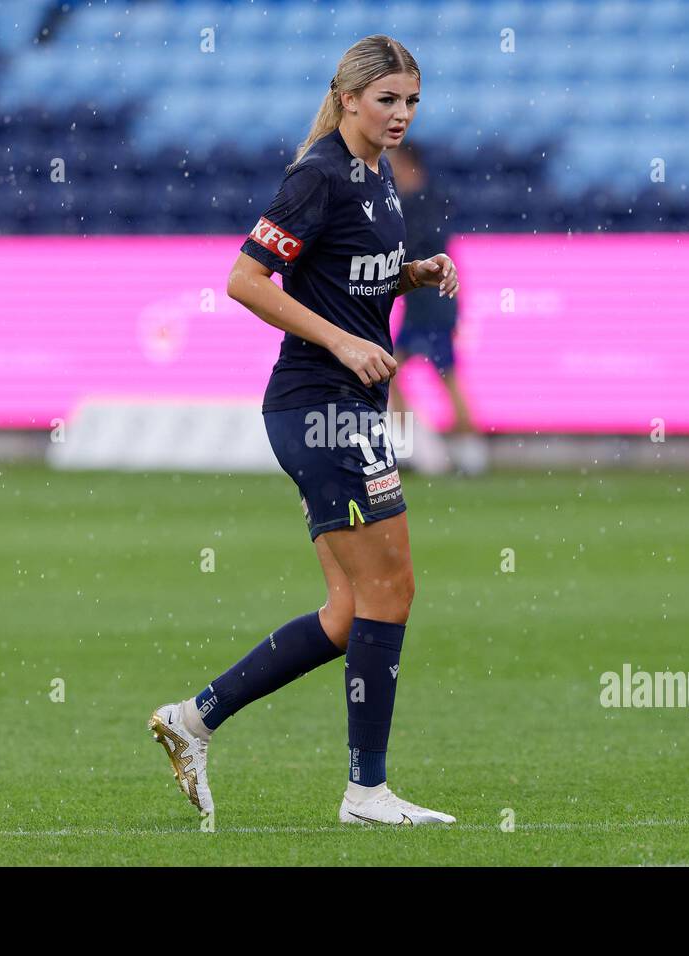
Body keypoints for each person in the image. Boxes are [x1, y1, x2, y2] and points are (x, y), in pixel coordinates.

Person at [148, 35, 459, 827]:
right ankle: (367, 793)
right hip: (319, 404)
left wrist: (410, 273)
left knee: (350, 611)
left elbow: (344, 273)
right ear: (349, 97)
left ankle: (194, 718)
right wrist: (344, 339)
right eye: (387, 99)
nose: (401, 114)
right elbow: (245, 278)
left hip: (341, 405)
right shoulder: (318, 175)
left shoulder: (377, 176)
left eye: (412, 100)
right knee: (393, 590)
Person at [386, 141, 488, 476]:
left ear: (409, 166)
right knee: (392, 372)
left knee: (447, 377)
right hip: (421, 306)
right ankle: (411, 447)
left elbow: (419, 246)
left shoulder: (425, 201)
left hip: (435, 305)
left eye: (395, 165)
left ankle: (469, 453)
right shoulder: (415, 201)